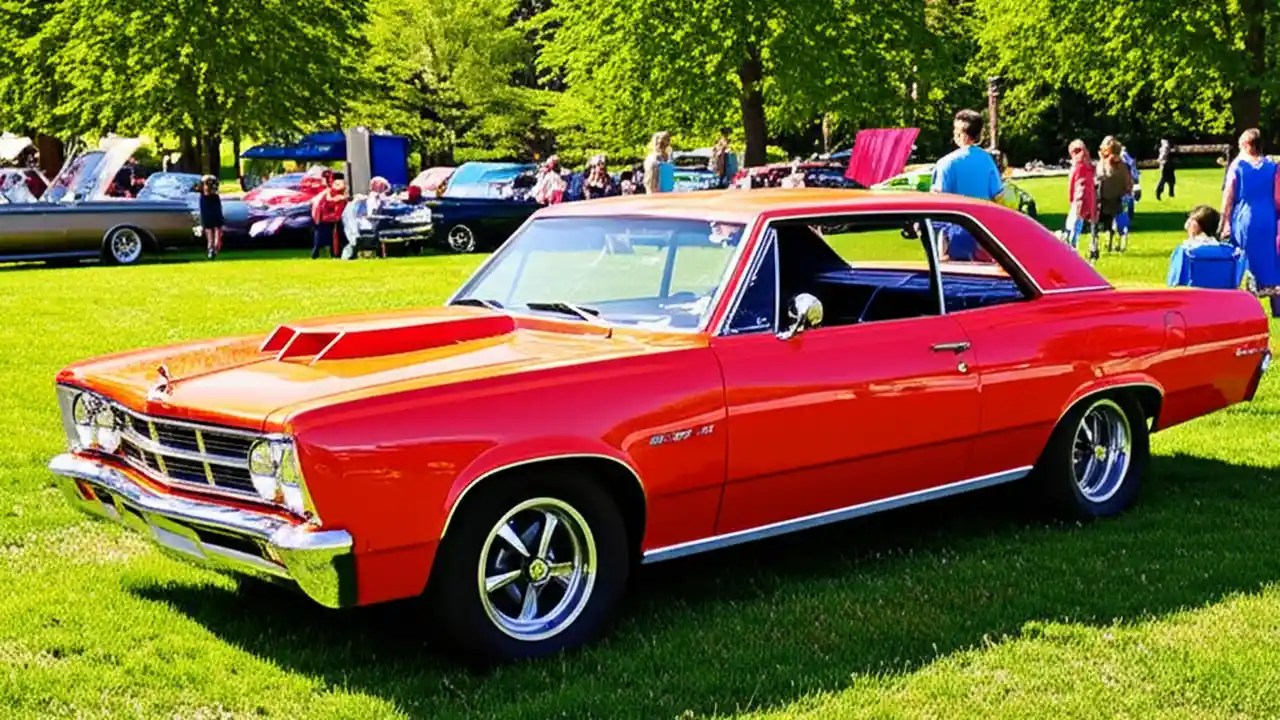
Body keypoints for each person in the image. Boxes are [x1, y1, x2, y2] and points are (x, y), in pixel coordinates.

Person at [1220, 128, 1280, 315]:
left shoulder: (1238, 166)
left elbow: (1228, 197)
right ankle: (1276, 303)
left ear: (1246, 145)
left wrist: (1225, 221)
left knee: (1245, 258)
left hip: (1245, 216)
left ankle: (1247, 304)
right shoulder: (1272, 166)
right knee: (1270, 258)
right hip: (1268, 216)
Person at [930, 109, 1003, 201]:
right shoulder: (987, 160)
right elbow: (998, 195)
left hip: (956, 214)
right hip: (983, 214)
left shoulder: (945, 162)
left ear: (959, 133)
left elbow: (937, 199)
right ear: (979, 134)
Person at [1095, 136, 1134, 257]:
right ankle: (1112, 244)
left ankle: (1097, 245)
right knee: (1113, 222)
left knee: (1098, 223)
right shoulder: (1122, 165)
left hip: (1105, 199)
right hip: (1117, 198)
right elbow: (1128, 182)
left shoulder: (1106, 163)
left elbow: (1101, 176)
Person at [1064, 139, 1098, 252]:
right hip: (1089, 197)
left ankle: (1071, 243)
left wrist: (1070, 198)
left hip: (1079, 197)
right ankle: (1092, 244)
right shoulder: (1089, 166)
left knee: (1074, 221)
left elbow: (1071, 184)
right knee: (1082, 221)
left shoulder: (1076, 167)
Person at [310, 178, 347, 259]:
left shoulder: (328, 192)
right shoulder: (329, 193)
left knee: (323, 235)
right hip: (326, 217)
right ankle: (333, 253)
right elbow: (330, 201)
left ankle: (327, 253)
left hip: (324, 217)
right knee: (330, 236)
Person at [198, 175, 224, 260]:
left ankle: (211, 249)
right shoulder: (213, 197)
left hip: (209, 216)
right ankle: (214, 249)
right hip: (213, 216)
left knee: (211, 233)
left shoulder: (203, 197)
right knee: (215, 232)